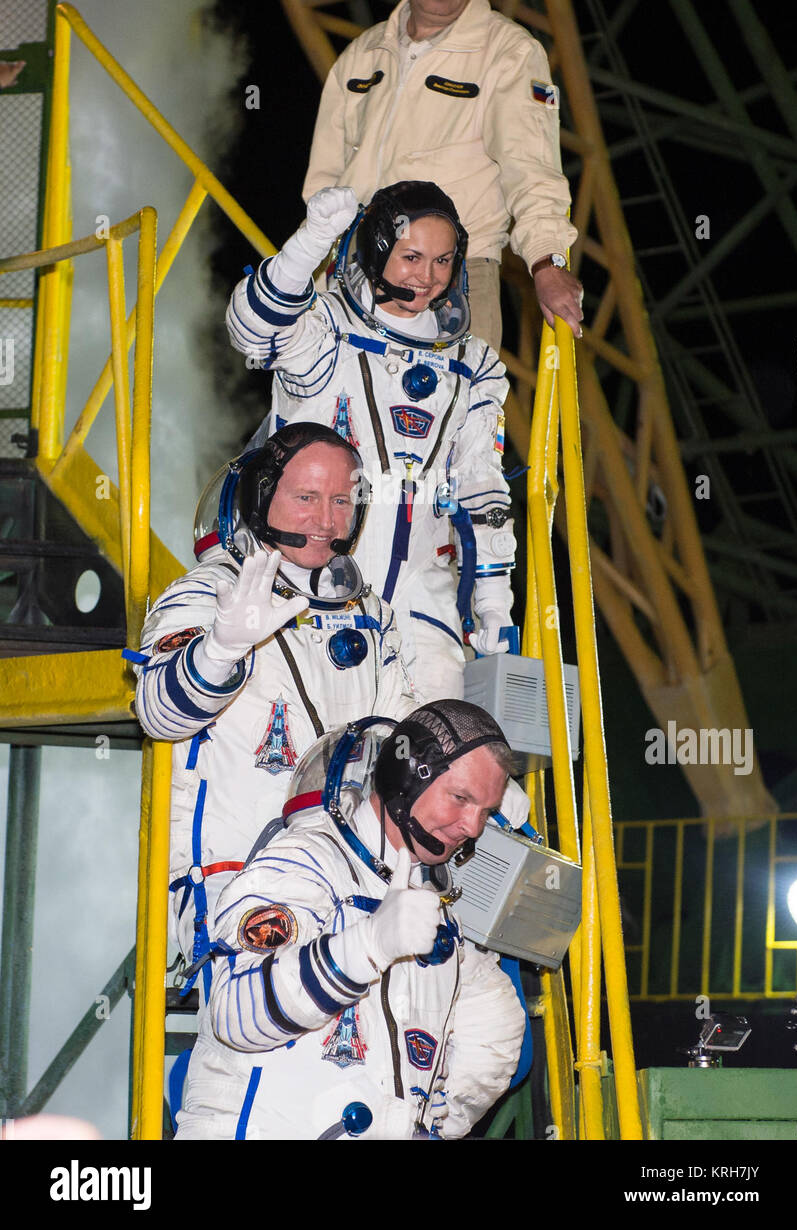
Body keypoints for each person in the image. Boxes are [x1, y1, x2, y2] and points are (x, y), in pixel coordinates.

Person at [132, 422, 417, 992]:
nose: (327, 520)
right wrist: (220, 649)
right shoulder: (209, 593)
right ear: (263, 499)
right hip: (231, 878)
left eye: (341, 501)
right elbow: (158, 713)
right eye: (306, 498)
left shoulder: (372, 616)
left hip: (348, 873)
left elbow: (399, 740)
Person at [174, 701, 526, 1140]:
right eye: (461, 799)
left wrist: (441, 1118)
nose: (472, 827)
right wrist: (367, 946)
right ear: (405, 778)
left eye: (486, 811)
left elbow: (495, 1022)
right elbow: (235, 1010)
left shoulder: (437, 915)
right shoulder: (304, 860)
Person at [228, 180, 519, 706]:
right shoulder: (328, 330)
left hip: (423, 603)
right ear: (378, 249)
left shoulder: (472, 365)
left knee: (443, 758)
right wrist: (312, 238)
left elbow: (483, 488)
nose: (427, 277)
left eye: (443, 261)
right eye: (411, 256)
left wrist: (494, 604)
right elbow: (251, 330)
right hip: (309, 592)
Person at [303, 0, 583, 352]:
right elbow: (324, 181)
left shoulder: (511, 54)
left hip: (455, 285)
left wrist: (547, 263)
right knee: (331, 430)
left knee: (449, 429)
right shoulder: (361, 56)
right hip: (350, 282)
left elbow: (531, 168)